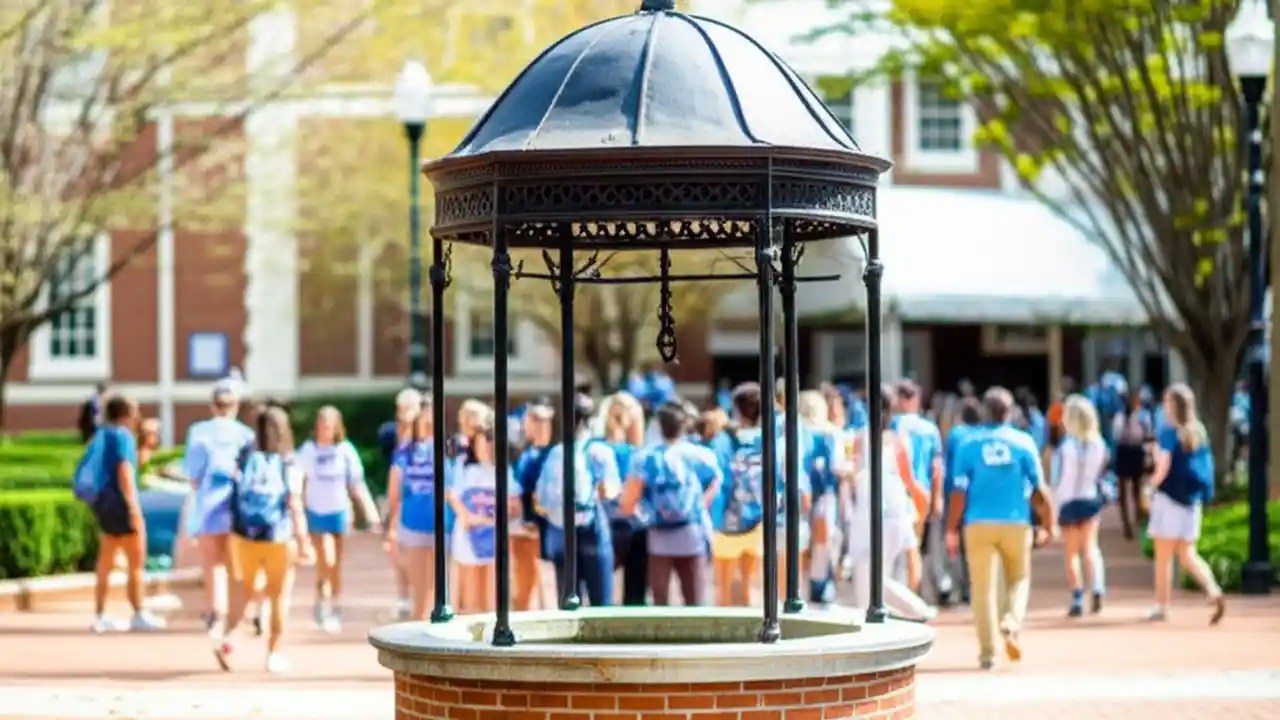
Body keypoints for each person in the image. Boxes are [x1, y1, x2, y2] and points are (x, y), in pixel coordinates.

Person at [947, 387, 1057, 670]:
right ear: (1010, 413)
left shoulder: (968, 444)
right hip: (1016, 523)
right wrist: (1049, 524)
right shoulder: (1023, 443)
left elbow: (959, 492)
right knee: (1019, 579)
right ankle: (1011, 621)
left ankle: (987, 653)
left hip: (978, 523)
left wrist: (951, 527)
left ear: (984, 411)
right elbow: (1039, 490)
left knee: (982, 590)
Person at [212, 405, 311, 673]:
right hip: (278, 537)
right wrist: (304, 541)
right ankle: (274, 653)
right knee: (278, 595)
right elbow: (295, 503)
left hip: (244, 536)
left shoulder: (244, 457)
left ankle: (229, 640)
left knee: (246, 591)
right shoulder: (288, 461)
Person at [844, 387, 933, 620]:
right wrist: (921, 505)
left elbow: (855, 474)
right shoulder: (898, 440)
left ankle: (916, 610)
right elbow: (910, 481)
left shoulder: (861, 437)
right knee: (876, 575)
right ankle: (902, 614)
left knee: (868, 577)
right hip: (893, 511)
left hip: (871, 511)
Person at [79, 396, 166, 633]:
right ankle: (138, 611)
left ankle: (100, 614)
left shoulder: (102, 435)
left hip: (104, 505)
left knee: (105, 561)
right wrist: (134, 507)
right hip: (123, 505)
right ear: (127, 413)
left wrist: (146, 446)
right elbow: (125, 471)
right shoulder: (123, 436)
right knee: (136, 561)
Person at [620, 402, 720, 606]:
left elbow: (628, 503)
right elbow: (717, 480)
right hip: (693, 534)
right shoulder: (701, 455)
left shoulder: (644, 457)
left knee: (660, 603)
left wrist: (645, 515)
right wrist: (701, 503)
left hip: (659, 537)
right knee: (695, 602)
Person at [294, 406, 380, 634]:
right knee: (326, 558)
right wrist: (297, 511)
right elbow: (297, 479)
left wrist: (371, 514)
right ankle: (323, 603)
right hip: (317, 511)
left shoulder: (345, 450)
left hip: (339, 512)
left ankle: (335, 601)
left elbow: (356, 484)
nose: (325, 431)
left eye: (329, 427)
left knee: (336, 563)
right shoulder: (308, 450)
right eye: (322, 427)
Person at [182, 371, 256, 633]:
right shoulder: (246, 434)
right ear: (235, 406)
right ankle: (246, 611)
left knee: (212, 562)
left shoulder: (199, 432)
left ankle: (216, 611)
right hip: (238, 507)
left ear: (213, 405)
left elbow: (192, 475)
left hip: (208, 504)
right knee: (236, 562)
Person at [1145, 384, 1225, 624]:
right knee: (1188, 553)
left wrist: (1150, 485)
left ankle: (1161, 605)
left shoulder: (1169, 431)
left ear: (1173, 405)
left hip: (1169, 499)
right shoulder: (1198, 431)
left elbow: (1164, 465)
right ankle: (1213, 590)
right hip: (1192, 500)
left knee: (1163, 556)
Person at [536, 393, 619, 607]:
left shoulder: (555, 454)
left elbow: (541, 501)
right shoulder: (600, 451)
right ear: (589, 421)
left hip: (562, 533)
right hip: (594, 531)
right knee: (602, 604)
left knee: (568, 604)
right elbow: (611, 491)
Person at [449, 408, 520, 613]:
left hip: (494, 539)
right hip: (468, 538)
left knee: (492, 596)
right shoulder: (464, 468)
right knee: (470, 597)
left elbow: (514, 502)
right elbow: (451, 495)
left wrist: (505, 513)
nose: (486, 447)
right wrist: (468, 516)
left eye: (490, 442)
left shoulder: (503, 471)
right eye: (481, 441)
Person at [384, 397, 445, 621]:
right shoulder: (405, 451)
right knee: (420, 588)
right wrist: (391, 529)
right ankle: (419, 636)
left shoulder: (446, 449)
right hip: (413, 525)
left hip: (442, 527)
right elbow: (395, 493)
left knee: (439, 588)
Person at [892, 381, 951, 604]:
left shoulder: (891, 425)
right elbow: (936, 467)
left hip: (897, 493)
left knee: (901, 550)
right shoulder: (929, 428)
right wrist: (937, 498)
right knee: (923, 546)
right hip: (923, 494)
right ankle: (926, 590)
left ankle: (902, 596)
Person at [1053, 395, 1109, 617]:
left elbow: (1057, 479)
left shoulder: (1065, 447)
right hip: (1090, 498)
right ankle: (1097, 588)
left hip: (1068, 501)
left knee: (1072, 553)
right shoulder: (1099, 444)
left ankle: (1077, 595)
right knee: (1091, 548)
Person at [596, 391, 649, 606]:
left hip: (602, 521)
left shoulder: (594, 446)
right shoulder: (637, 454)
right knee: (635, 594)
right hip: (633, 523)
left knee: (599, 592)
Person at [377, 388, 423, 619]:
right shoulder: (390, 434)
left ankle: (419, 596)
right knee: (395, 549)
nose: (404, 412)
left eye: (409, 407)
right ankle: (403, 596)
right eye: (401, 407)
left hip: (415, 497)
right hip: (395, 494)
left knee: (416, 550)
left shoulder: (425, 436)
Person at [797, 390, 844, 604]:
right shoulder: (830, 433)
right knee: (824, 542)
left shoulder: (796, 431)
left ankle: (802, 588)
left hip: (799, 492)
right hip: (825, 492)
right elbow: (836, 466)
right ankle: (819, 586)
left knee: (802, 543)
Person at [512, 399, 555, 611]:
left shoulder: (554, 454)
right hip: (526, 528)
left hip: (548, 529)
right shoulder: (525, 457)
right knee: (525, 588)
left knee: (548, 588)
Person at [1112, 391, 1155, 540]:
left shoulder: (1123, 417)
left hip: (1128, 451)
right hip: (1132, 450)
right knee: (1132, 490)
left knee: (1130, 491)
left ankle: (1133, 521)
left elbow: (1116, 436)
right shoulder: (1140, 416)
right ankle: (1132, 522)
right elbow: (1147, 434)